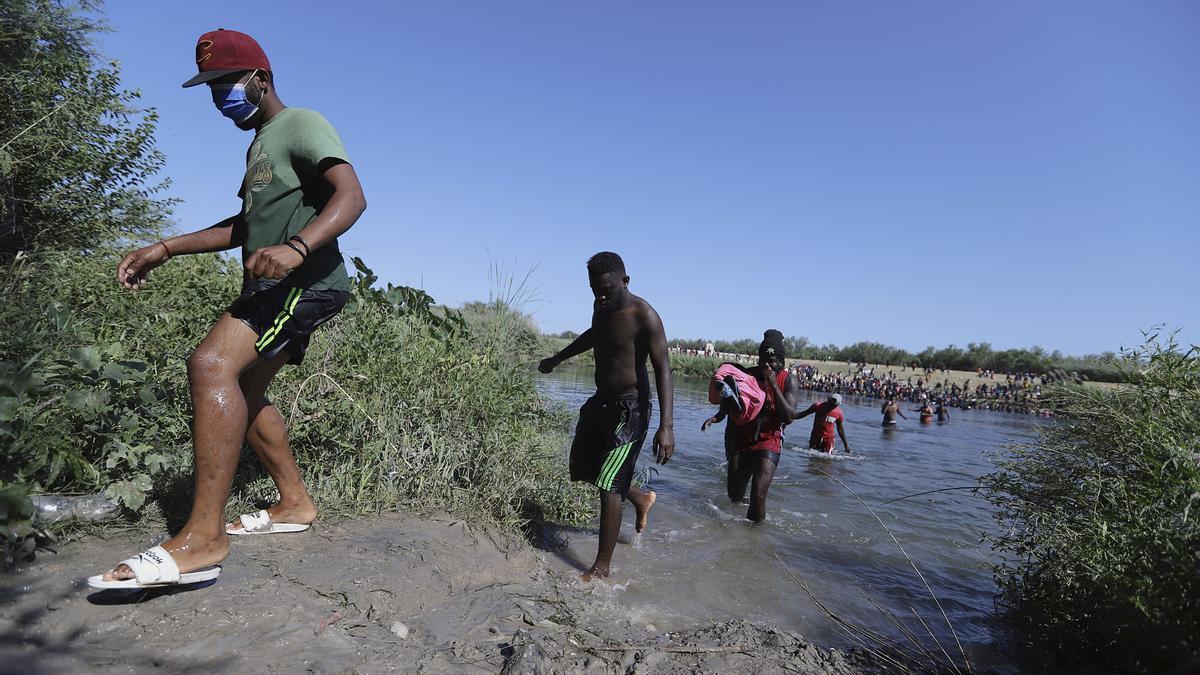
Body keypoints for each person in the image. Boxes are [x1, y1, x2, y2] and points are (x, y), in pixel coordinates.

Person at [90, 30, 366, 589]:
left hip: (303, 282)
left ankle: (202, 539)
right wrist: (163, 248)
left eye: (226, 85)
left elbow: (351, 195)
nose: (220, 99)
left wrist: (296, 249)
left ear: (261, 79)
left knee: (211, 364)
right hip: (277, 286)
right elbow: (241, 226)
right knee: (246, 388)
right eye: (212, 88)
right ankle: (294, 504)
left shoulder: (301, 123)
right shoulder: (261, 143)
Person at [537, 252, 674, 581]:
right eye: (594, 289)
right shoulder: (601, 306)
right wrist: (558, 358)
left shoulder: (644, 315)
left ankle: (601, 567)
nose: (601, 295)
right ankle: (640, 498)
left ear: (625, 281)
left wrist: (666, 427)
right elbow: (593, 335)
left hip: (632, 410)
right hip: (602, 402)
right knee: (584, 467)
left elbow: (663, 369)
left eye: (608, 288)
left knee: (609, 485)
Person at [702, 330, 798, 523]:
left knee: (759, 495)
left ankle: (754, 540)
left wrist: (774, 385)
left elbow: (788, 417)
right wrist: (718, 417)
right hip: (742, 440)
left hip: (769, 441)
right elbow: (732, 400)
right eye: (763, 359)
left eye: (772, 361)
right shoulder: (748, 374)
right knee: (734, 496)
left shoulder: (788, 380)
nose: (766, 365)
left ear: (782, 362)